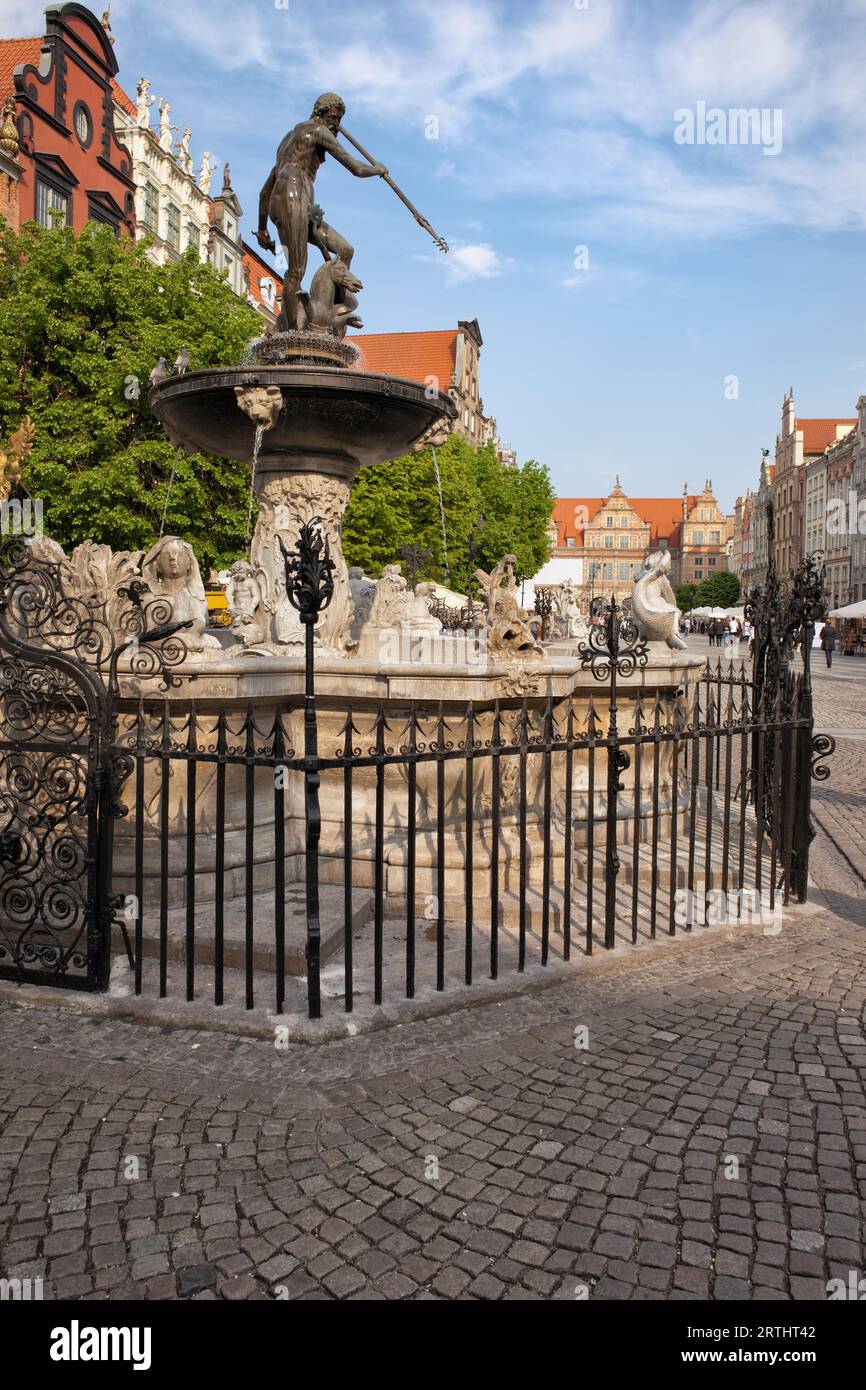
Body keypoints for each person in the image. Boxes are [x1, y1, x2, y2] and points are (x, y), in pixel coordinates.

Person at [256, 93, 387, 333]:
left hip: (297, 202)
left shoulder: (289, 142)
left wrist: (263, 227)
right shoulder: (317, 130)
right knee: (296, 269)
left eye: (338, 120)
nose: (336, 125)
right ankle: (290, 333)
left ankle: (330, 317)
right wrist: (377, 169)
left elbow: (265, 192)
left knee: (346, 250)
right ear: (320, 113)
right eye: (334, 118)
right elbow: (355, 167)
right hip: (291, 195)